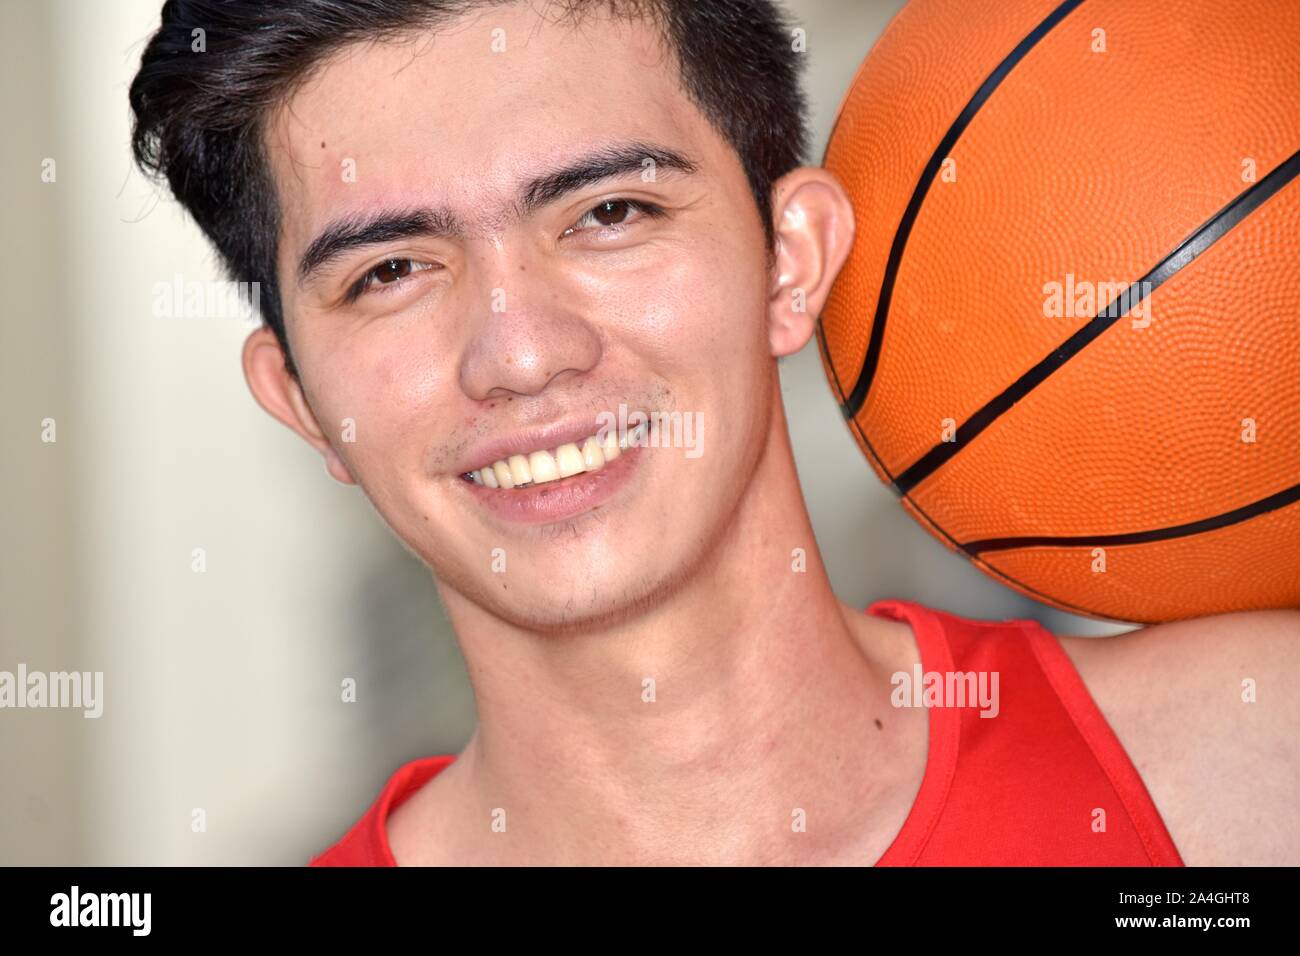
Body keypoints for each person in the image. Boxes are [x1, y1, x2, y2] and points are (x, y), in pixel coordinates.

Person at [128, 0, 1299, 866]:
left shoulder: (1244, 773)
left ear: (792, 262)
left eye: (610, 212)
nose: (523, 351)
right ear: (299, 399)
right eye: (390, 270)